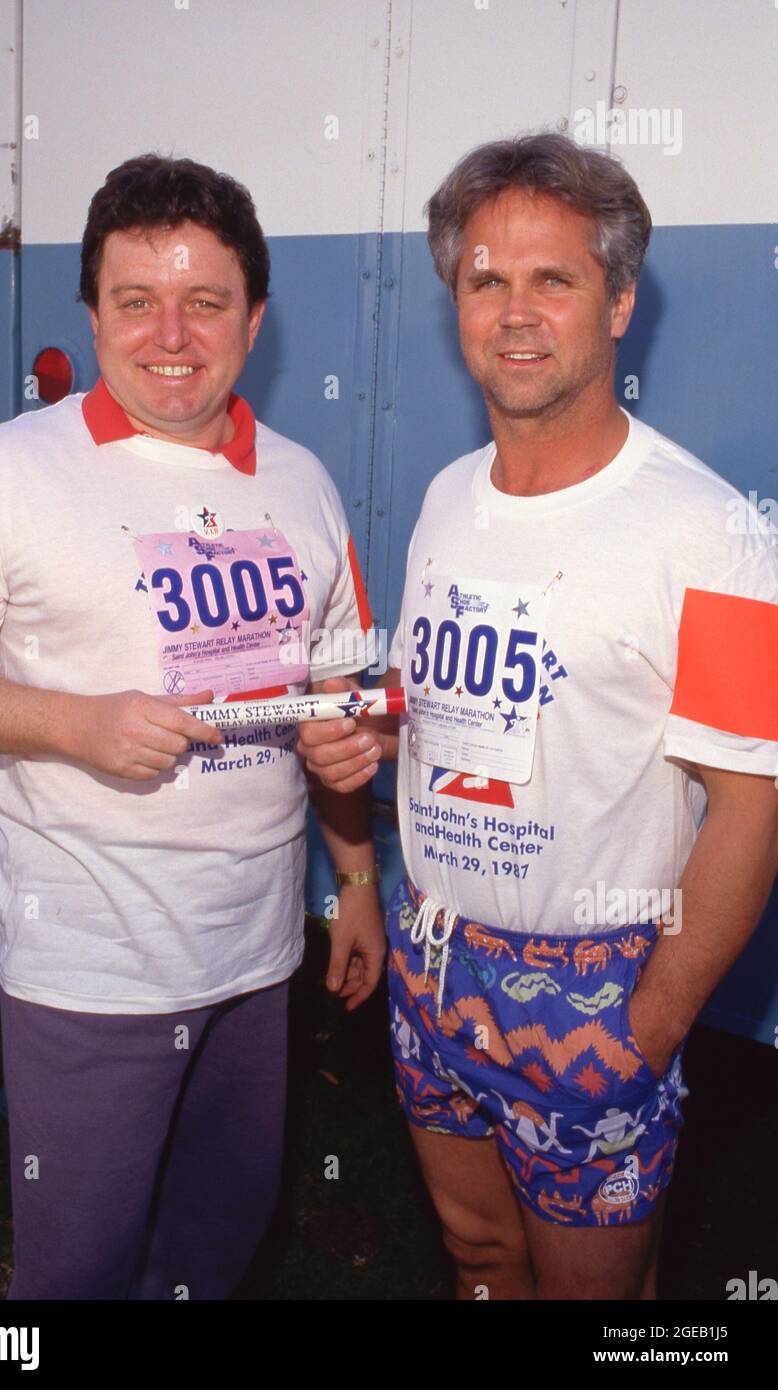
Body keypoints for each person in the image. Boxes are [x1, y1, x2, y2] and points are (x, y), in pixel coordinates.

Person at [0, 154, 385, 1300]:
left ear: (253, 319)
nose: (171, 333)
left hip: (255, 960)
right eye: (134, 301)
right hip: (92, 969)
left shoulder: (304, 485)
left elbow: (333, 706)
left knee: (216, 1239)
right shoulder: (0, 475)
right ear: (93, 311)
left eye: (205, 302)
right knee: (78, 1268)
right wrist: (69, 722)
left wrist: (353, 876)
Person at [299, 133, 778, 1300]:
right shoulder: (445, 499)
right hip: (432, 956)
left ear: (615, 301)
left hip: (596, 989)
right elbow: (447, 710)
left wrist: (646, 1026)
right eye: (484, 280)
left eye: (551, 279)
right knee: (473, 1256)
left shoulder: (715, 535)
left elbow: (751, 804)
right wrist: (370, 729)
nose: (514, 312)